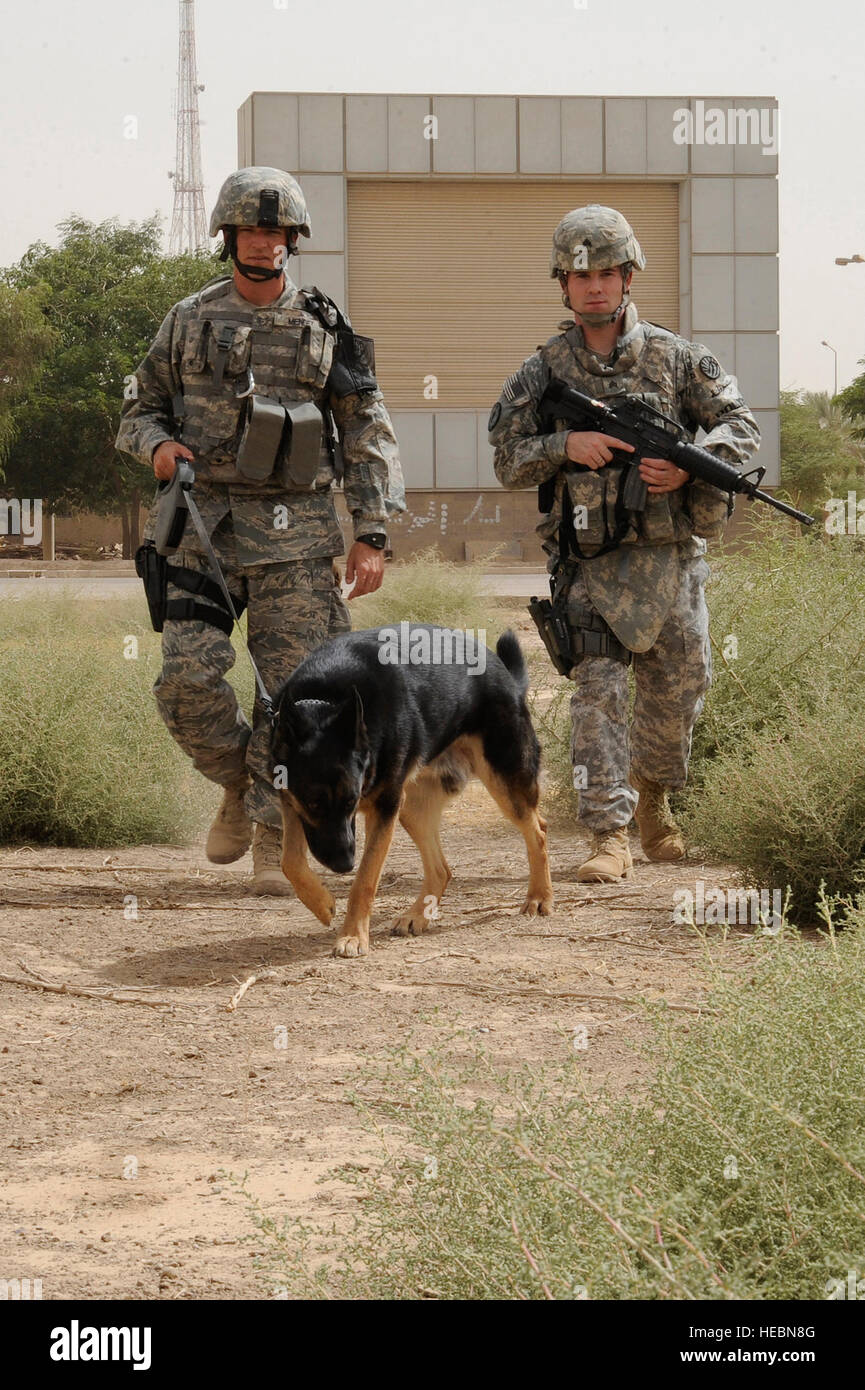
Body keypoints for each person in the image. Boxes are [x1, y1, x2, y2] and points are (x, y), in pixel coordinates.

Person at [116, 166, 405, 894]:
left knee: (301, 704)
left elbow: (368, 433)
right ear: (228, 237)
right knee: (186, 681)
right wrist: (155, 446)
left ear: (292, 240)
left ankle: (279, 845)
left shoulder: (326, 328)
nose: (263, 241)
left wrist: (372, 532)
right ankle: (241, 787)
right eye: (251, 228)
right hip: (201, 532)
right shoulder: (186, 319)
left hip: (297, 543)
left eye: (275, 231)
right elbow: (137, 408)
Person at [489, 205, 759, 883]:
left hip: (671, 560)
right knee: (597, 693)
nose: (593, 286)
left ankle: (654, 803)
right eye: (578, 276)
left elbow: (738, 422)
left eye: (605, 272)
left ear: (628, 276)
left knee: (680, 687)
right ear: (562, 286)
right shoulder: (540, 371)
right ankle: (606, 834)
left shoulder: (675, 358)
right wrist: (563, 445)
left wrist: (692, 462)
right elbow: (506, 459)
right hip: (588, 563)